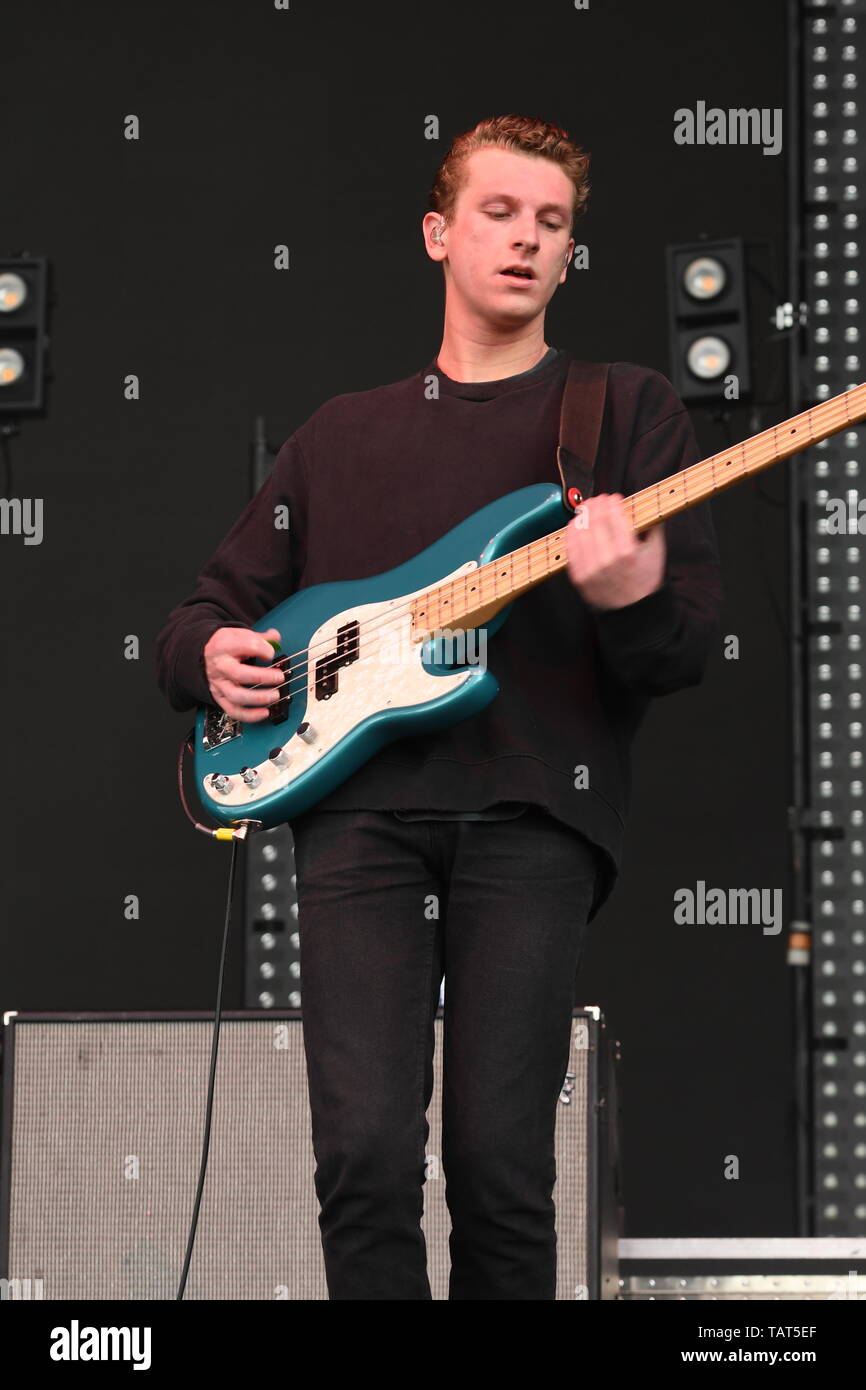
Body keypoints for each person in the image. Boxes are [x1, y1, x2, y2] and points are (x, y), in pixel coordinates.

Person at [155, 114, 723, 1300]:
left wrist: (626, 595)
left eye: (552, 224)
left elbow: (679, 652)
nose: (526, 241)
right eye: (498, 213)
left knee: (499, 1164)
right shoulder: (341, 434)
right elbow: (202, 613)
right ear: (436, 233)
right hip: (357, 821)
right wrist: (211, 655)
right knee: (362, 1158)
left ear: (571, 253)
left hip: (531, 817)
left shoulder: (620, 414)